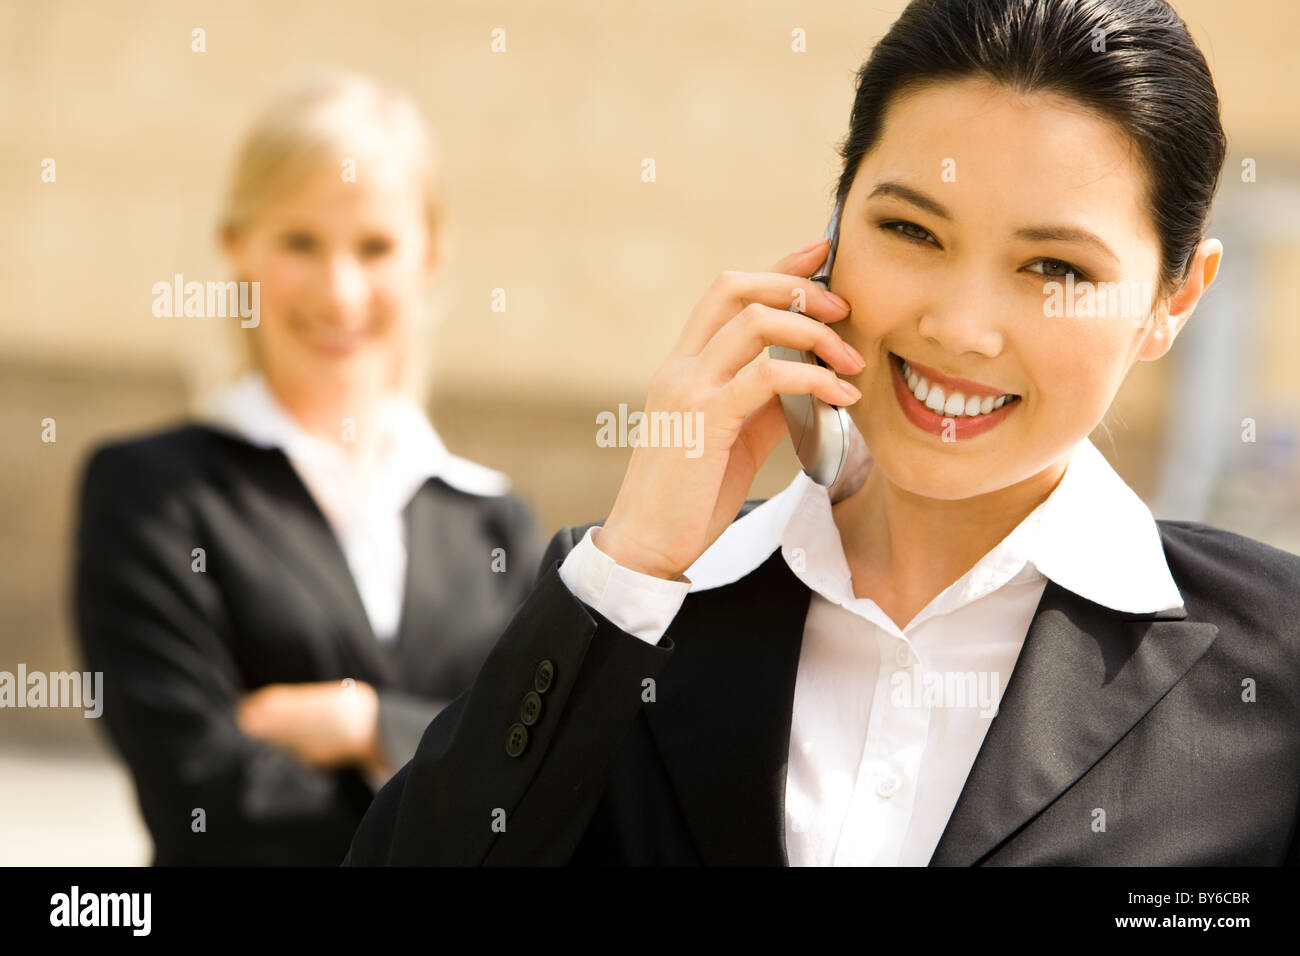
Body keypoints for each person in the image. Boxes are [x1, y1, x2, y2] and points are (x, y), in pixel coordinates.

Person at [345, 0, 1300, 866]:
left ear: (1174, 299)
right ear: (834, 221)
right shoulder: (631, 614)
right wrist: (631, 566)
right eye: (913, 232)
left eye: (1054, 267)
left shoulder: (1275, 668)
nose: (960, 329)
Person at [74, 73, 541, 866]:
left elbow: (561, 779)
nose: (339, 290)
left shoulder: (492, 521)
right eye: (300, 242)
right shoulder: (152, 494)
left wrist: (368, 725)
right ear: (237, 248)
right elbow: (207, 796)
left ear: (430, 256)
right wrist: (463, 785)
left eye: (375, 246)